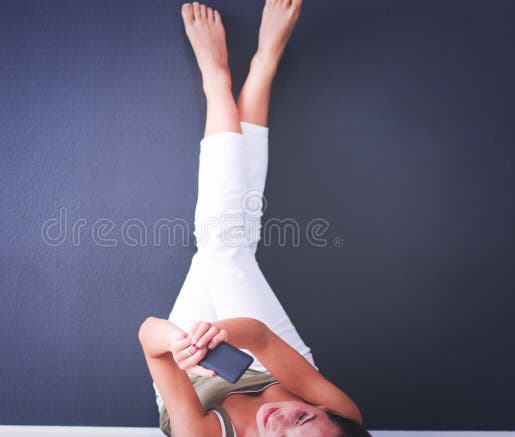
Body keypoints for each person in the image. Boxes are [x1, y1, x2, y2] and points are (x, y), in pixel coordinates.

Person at [138, 1, 370, 436]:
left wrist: (182, 342)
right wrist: (220, 336)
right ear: (323, 414)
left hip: (187, 375)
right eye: (302, 416)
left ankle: (247, 71)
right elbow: (260, 339)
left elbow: (150, 339)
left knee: (227, 245)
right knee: (226, 248)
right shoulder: (346, 421)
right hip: (272, 361)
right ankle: (224, 79)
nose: (278, 421)